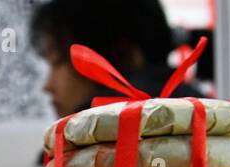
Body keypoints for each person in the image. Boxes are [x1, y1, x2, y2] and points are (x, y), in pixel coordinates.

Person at [29, 0, 203, 117]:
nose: (47, 85)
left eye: (58, 62)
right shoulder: (203, 115)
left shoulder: (100, 128)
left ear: (123, 55)